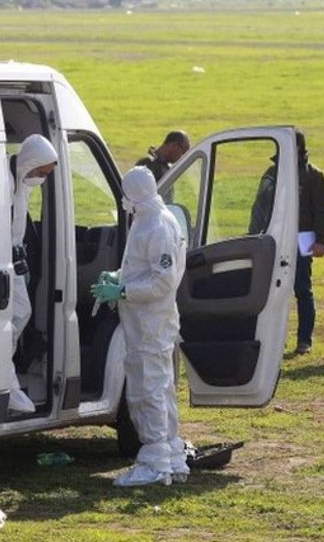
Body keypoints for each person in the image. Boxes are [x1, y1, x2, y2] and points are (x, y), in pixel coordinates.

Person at [90, 166, 188, 486]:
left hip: (150, 323)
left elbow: (163, 281)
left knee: (148, 391)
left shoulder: (157, 226)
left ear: (134, 192)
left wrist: (123, 291)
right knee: (160, 388)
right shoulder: (148, 219)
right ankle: (171, 455)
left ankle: (156, 462)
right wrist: (118, 277)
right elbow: (138, 266)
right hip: (147, 324)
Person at [248, 130, 324, 355]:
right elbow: (259, 208)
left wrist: (321, 241)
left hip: (300, 240)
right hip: (273, 240)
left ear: (297, 148)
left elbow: (323, 210)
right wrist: (252, 237)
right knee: (272, 291)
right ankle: (274, 339)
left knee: (302, 289)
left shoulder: (313, 175)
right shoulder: (272, 174)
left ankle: (304, 340)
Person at [8, 134, 58, 413]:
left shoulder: (22, 183)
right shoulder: (5, 181)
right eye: (41, 172)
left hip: (13, 259)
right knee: (16, 317)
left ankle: (7, 378)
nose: (41, 178)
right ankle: (6, 382)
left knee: (20, 315)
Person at [136, 130, 190, 201]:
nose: (183, 156)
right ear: (174, 145)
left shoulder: (166, 166)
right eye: (184, 151)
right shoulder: (147, 164)